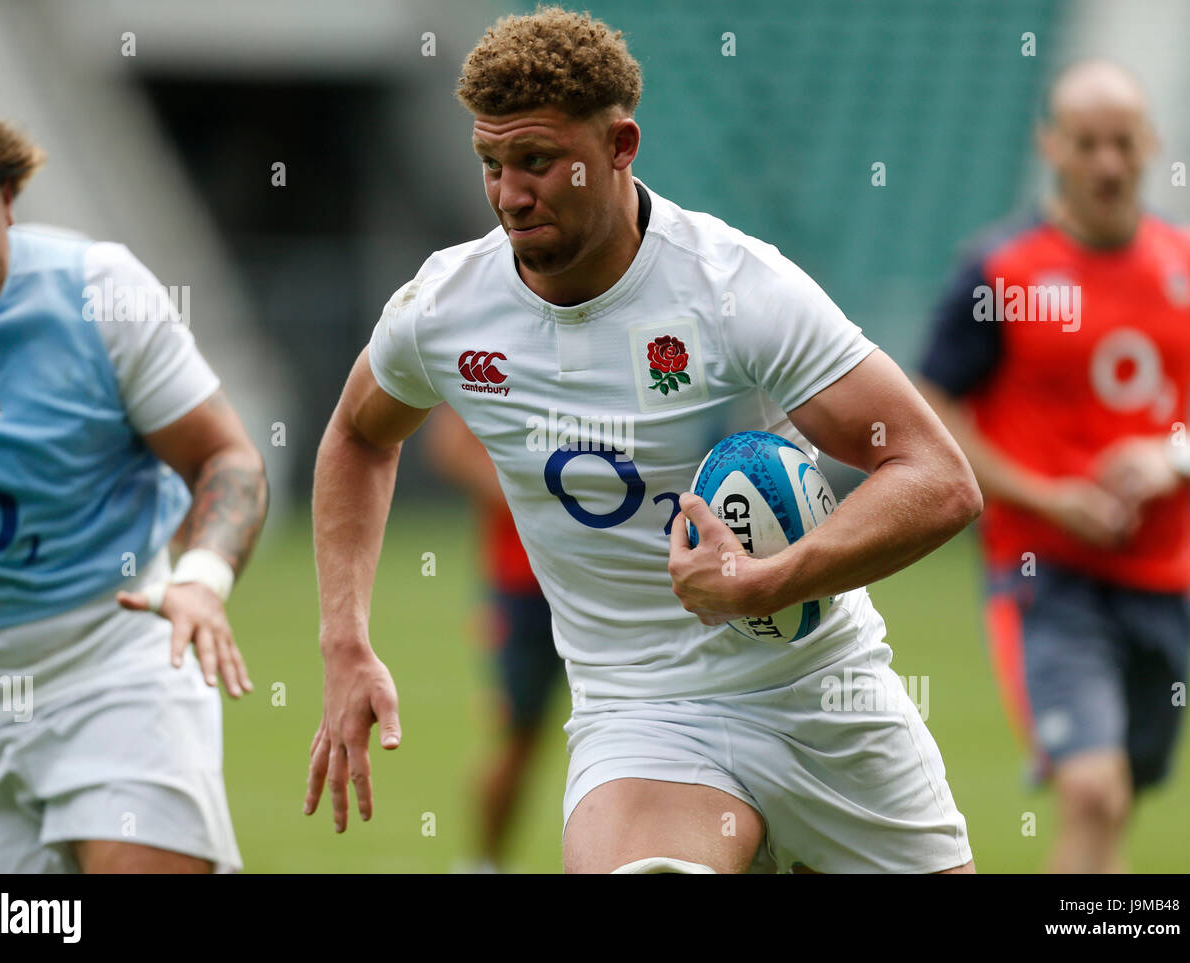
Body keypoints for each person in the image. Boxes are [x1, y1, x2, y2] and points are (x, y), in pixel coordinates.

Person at [306, 8, 981, 873]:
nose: (511, 194)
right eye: (492, 164)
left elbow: (935, 474)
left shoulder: (736, 288)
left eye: (540, 161)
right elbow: (358, 436)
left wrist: (762, 583)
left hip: (823, 693)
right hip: (643, 714)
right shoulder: (445, 310)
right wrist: (345, 640)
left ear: (620, 145)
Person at [0, 95, 268, 873]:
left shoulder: (100, 290)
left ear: (9, 200)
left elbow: (228, 459)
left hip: (109, 654)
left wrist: (202, 579)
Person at [917, 60, 1190, 873]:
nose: (1107, 164)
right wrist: (1049, 497)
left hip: (1164, 577)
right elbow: (931, 414)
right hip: (1043, 575)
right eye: (1087, 144)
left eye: (1123, 143)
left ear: (1151, 142)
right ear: (1050, 145)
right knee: (1094, 790)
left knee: (1116, 800)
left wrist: (1177, 455)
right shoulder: (1002, 270)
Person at [424, 403, 564, 872]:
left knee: (643, 724)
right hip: (522, 584)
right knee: (518, 735)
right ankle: (484, 863)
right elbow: (450, 448)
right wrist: (544, 498)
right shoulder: (491, 346)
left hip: (618, 576)